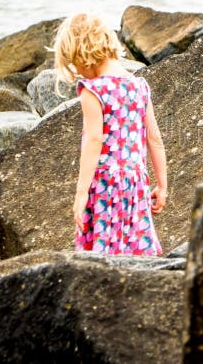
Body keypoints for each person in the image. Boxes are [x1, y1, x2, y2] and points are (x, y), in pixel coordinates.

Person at [54, 13, 167, 256]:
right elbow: (154, 138)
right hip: (136, 182)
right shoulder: (139, 86)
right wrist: (163, 185)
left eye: (75, 63)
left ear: (84, 54)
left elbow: (94, 140)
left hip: (105, 183)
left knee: (103, 252)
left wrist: (81, 192)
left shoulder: (92, 90)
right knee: (132, 248)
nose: (79, 72)